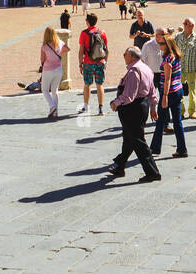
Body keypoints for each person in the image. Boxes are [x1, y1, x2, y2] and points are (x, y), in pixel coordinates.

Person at [107, 48, 161, 183]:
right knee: (129, 138)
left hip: (132, 109)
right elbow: (152, 91)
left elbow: (129, 96)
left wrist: (116, 103)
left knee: (138, 141)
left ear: (131, 56)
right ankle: (120, 165)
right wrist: (153, 107)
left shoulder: (133, 72)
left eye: (124, 54)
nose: (123, 56)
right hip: (142, 106)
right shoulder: (146, 68)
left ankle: (152, 172)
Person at [150, 32, 187, 158]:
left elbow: (167, 79)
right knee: (177, 121)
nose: (159, 45)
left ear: (167, 45)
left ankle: (155, 148)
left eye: (161, 43)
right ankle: (182, 149)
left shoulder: (167, 60)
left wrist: (164, 96)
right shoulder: (176, 56)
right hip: (178, 90)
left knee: (160, 121)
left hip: (169, 92)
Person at [79, 13, 109, 116]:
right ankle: (100, 108)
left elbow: (81, 50)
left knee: (87, 84)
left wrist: (80, 64)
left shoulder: (84, 33)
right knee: (99, 84)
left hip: (88, 62)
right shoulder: (102, 32)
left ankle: (86, 106)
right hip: (100, 62)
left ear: (87, 21)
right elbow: (106, 49)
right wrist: (105, 61)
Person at [177, 17, 196, 119]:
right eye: (184, 23)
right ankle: (181, 112)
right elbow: (172, 49)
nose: (184, 24)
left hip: (191, 69)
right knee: (179, 92)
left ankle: (192, 112)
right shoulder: (178, 36)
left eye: (186, 23)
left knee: (192, 91)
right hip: (179, 69)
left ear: (192, 26)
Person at [40, 26, 67, 119]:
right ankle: (56, 112)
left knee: (45, 90)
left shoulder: (44, 46)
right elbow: (67, 49)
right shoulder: (59, 43)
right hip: (58, 69)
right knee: (55, 91)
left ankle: (52, 106)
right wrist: (59, 52)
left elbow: (42, 60)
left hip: (48, 69)